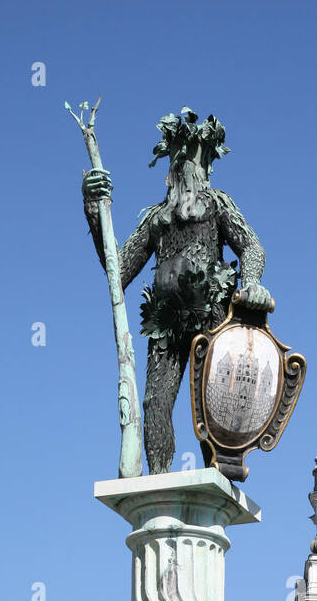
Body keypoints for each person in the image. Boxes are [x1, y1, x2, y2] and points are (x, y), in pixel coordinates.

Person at [82, 109, 273, 474]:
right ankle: (158, 479)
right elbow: (117, 273)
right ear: (171, 171)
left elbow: (251, 247)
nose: (187, 171)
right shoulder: (157, 219)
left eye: (193, 162)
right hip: (166, 321)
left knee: (214, 402)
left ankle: (217, 470)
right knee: (155, 402)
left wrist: (250, 282)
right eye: (180, 162)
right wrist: (95, 211)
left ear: (205, 169)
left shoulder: (217, 205)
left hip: (213, 316)